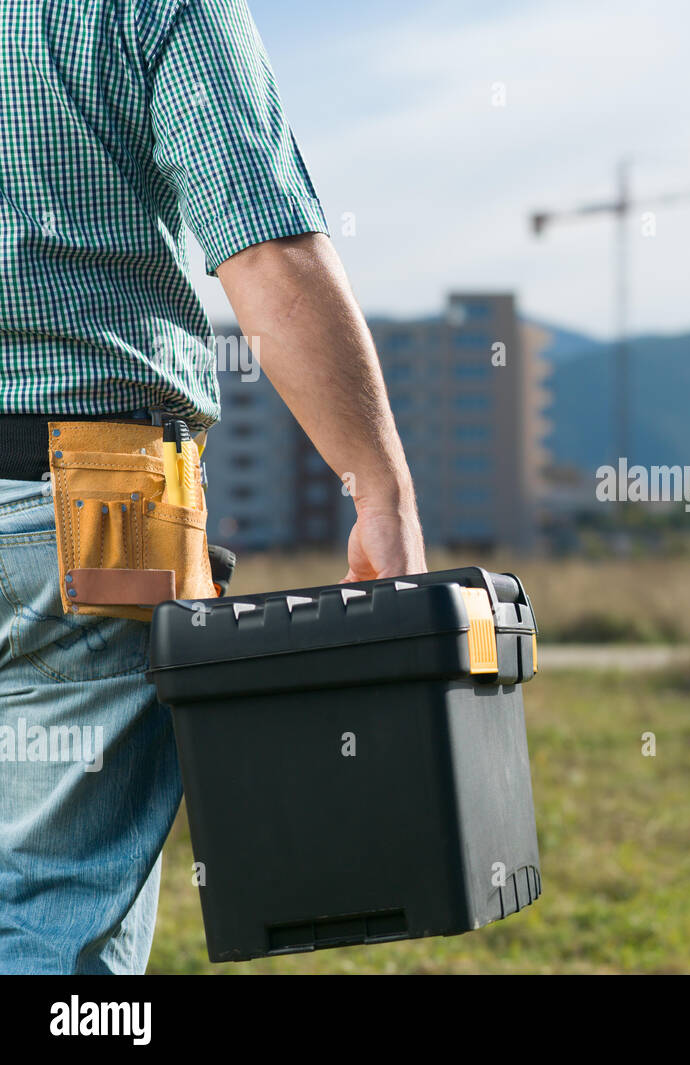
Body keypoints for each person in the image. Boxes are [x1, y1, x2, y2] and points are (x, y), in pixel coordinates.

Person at [0, 0, 423, 973]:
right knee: (55, 918)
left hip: (99, 497)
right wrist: (381, 493)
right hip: (105, 492)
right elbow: (265, 250)